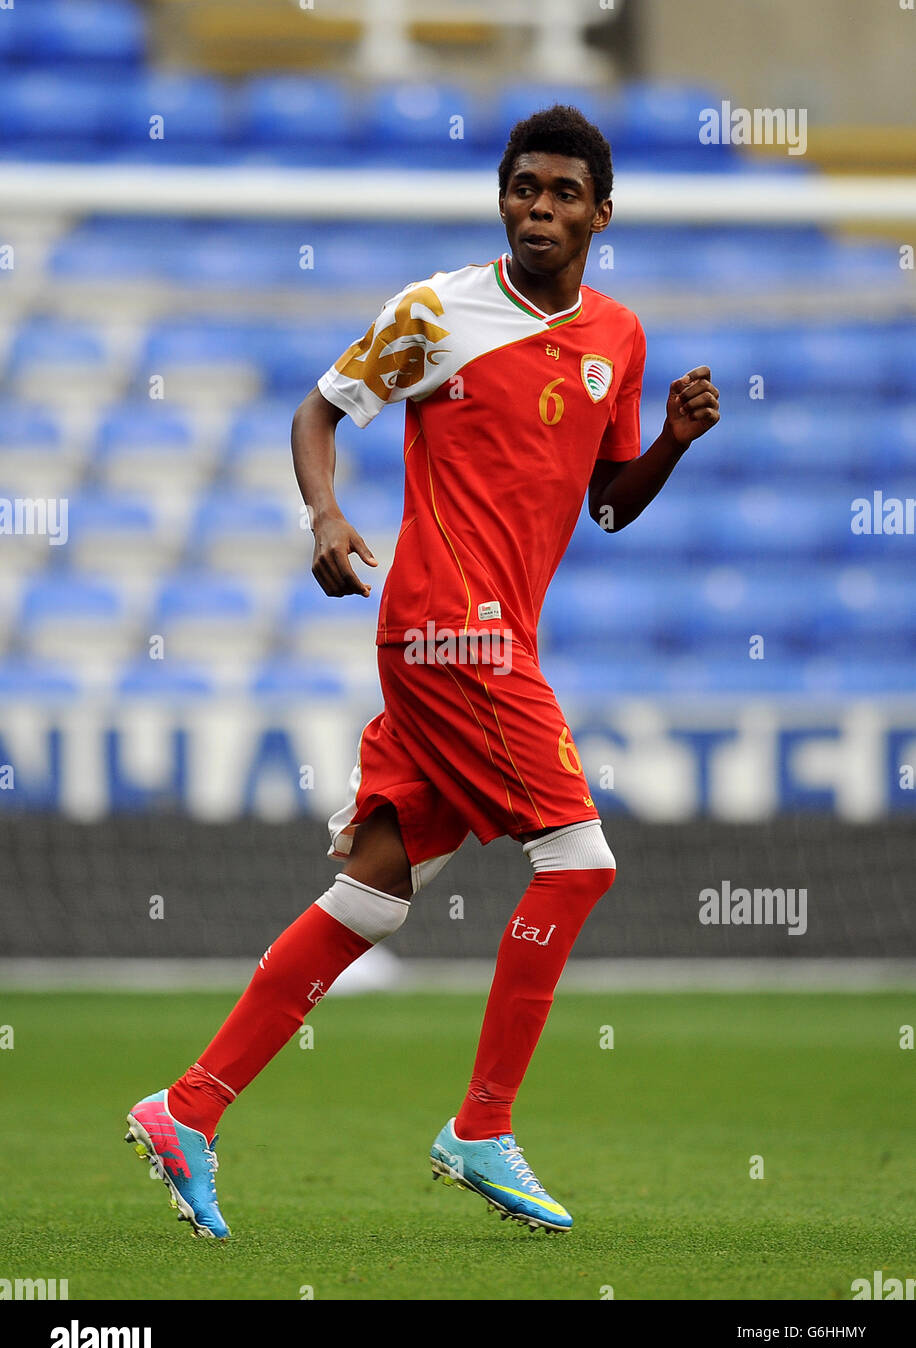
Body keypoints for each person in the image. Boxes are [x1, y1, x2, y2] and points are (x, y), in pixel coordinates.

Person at [124, 104, 720, 1238]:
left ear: (601, 210)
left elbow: (606, 504)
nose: (535, 208)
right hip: (450, 627)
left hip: (503, 638)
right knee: (580, 862)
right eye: (519, 188)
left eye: (558, 193)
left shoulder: (620, 339)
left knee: (372, 895)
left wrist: (672, 448)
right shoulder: (436, 310)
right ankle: (482, 1127)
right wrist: (324, 514)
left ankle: (186, 1108)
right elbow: (319, 408)